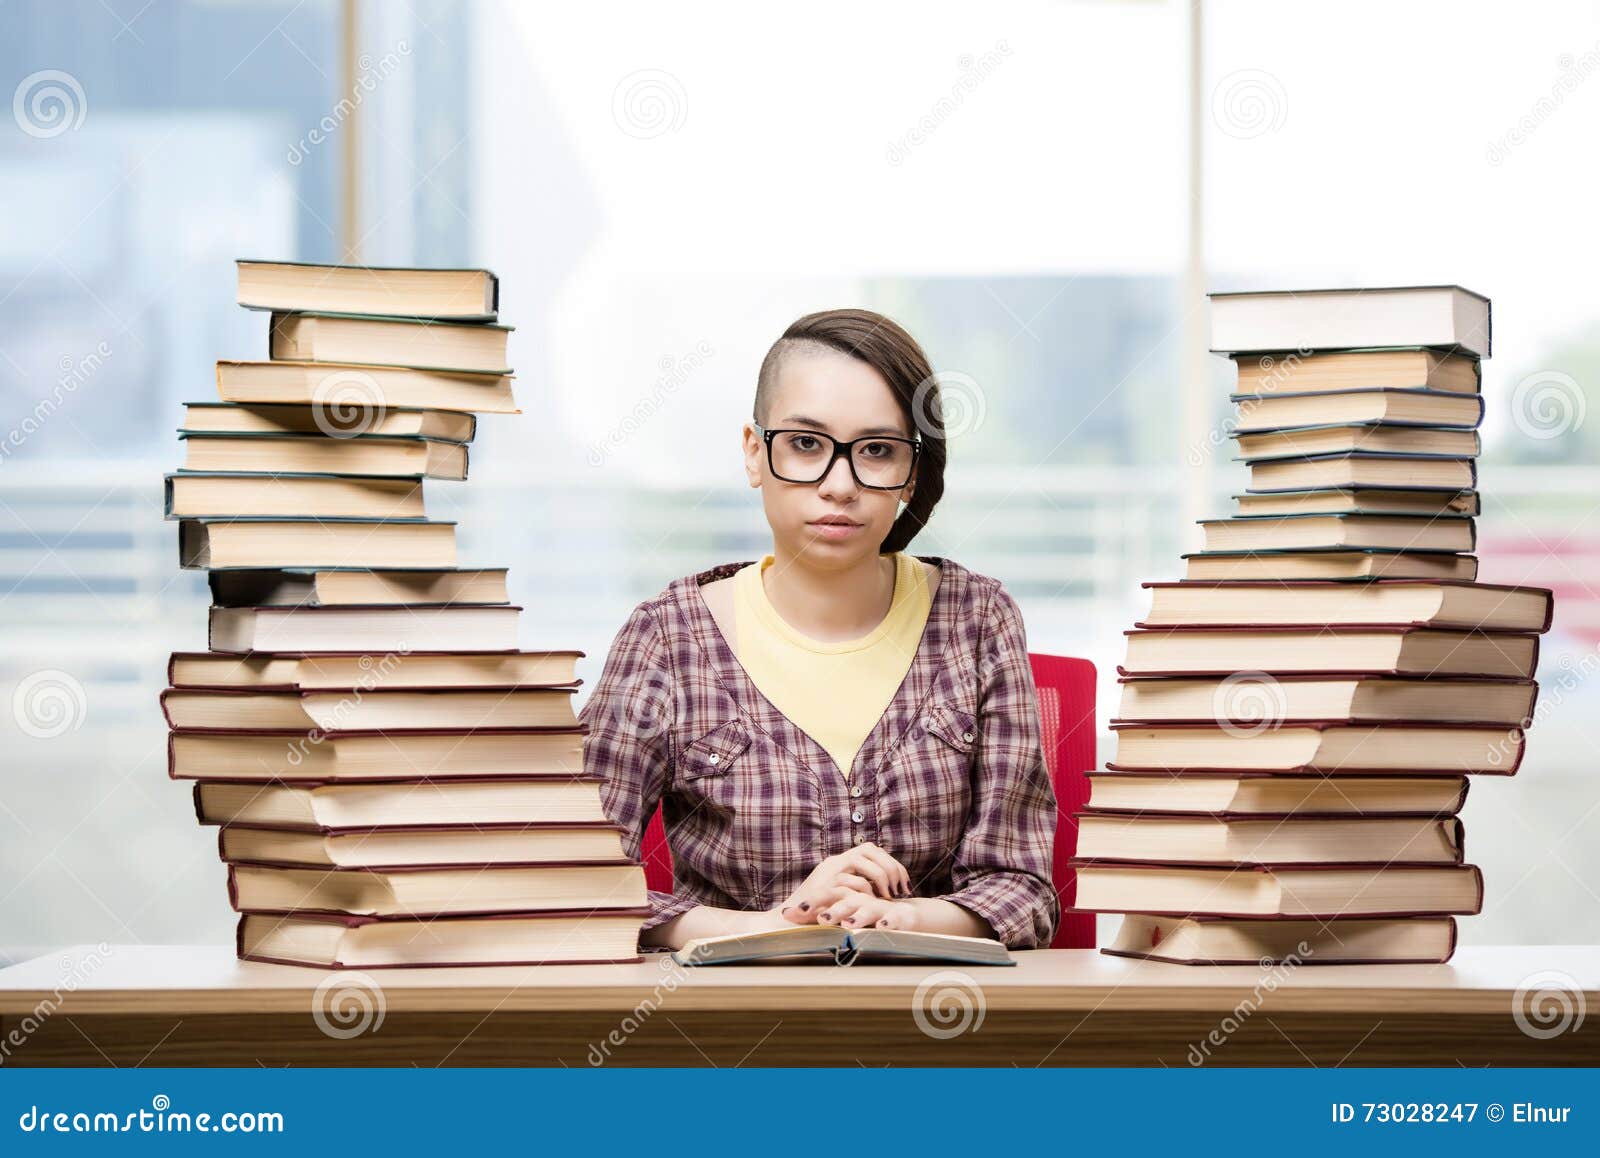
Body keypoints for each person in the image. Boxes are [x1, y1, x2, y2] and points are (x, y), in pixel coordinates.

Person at [579, 308, 1059, 952]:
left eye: (878, 451)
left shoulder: (977, 620)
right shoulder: (666, 638)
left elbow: (1023, 888)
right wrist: (777, 922)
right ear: (754, 452)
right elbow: (574, 881)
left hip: (936, 1016)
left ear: (911, 472)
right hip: (720, 1027)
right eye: (806, 444)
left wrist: (900, 918)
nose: (839, 486)